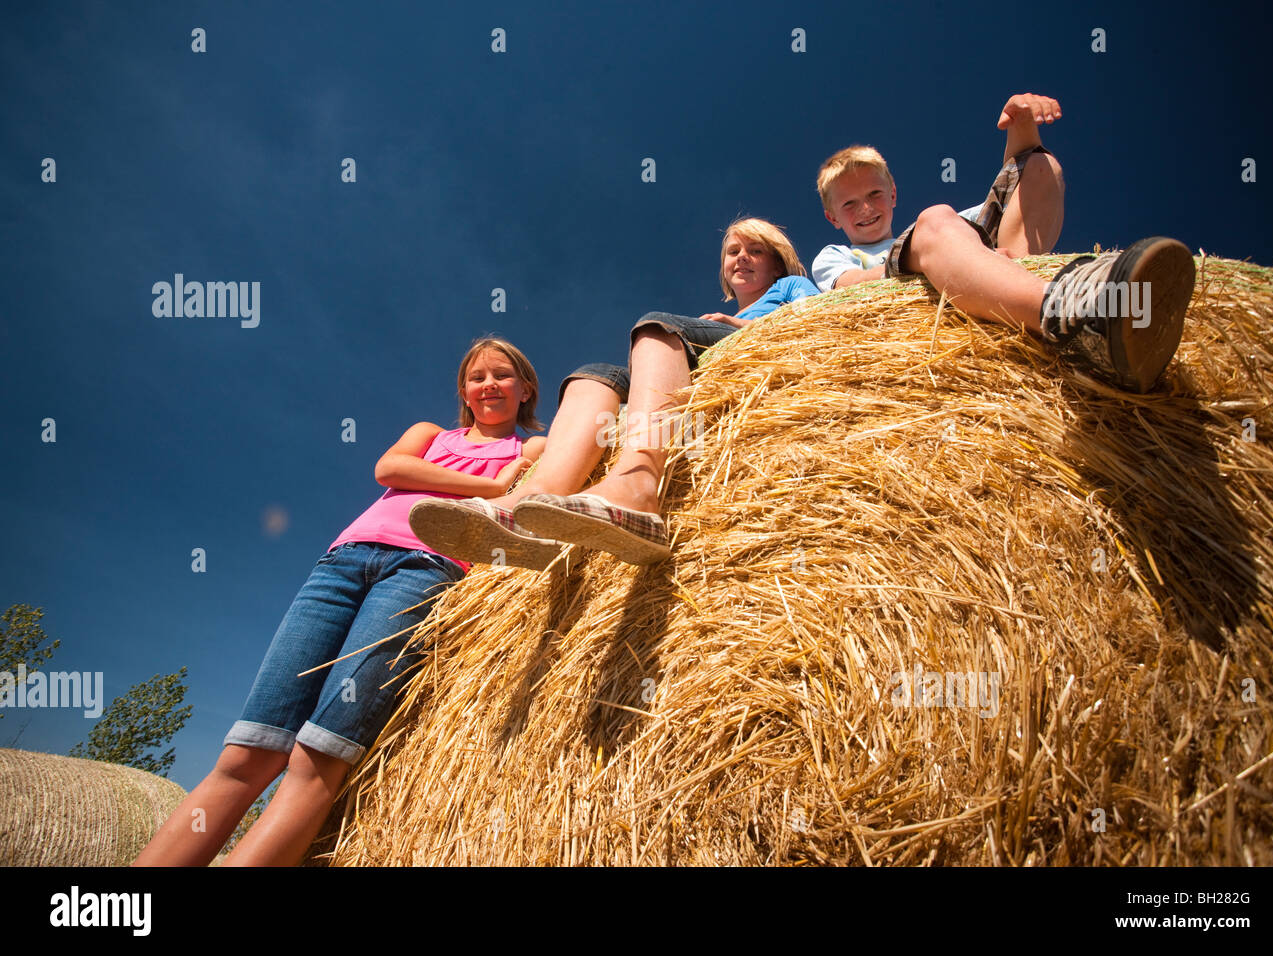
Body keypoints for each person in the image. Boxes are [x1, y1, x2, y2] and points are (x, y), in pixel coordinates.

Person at [134, 338, 545, 866]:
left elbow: (523, 490)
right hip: (343, 563)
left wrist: (483, 485)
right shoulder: (430, 433)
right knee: (250, 748)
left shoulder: (529, 447)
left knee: (322, 753)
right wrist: (484, 487)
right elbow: (391, 470)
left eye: (502, 376)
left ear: (525, 388)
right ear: (464, 390)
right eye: (477, 377)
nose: (488, 385)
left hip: (427, 569)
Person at [409, 218, 820, 569]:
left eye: (755, 250)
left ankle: (636, 487)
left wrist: (737, 326)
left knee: (656, 326)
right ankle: (530, 502)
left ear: (776, 262)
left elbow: (816, 320)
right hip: (701, 371)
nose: (741, 257)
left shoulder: (789, 288)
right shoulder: (709, 318)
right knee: (594, 375)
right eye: (733, 251)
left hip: (752, 353)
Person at [814, 93, 1194, 393]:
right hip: (926, 277)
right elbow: (849, 289)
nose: (866, 208)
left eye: (875, 194)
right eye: (849, 203)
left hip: (999, 262)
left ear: (893, 194)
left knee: (1041, 166)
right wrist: (930, 259)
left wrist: (1021, 124)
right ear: (833, 218)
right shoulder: (836, 255)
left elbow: (1015, 189)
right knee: (934, 220)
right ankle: (1073, 314)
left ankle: (1091, 309)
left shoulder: (952, 231)